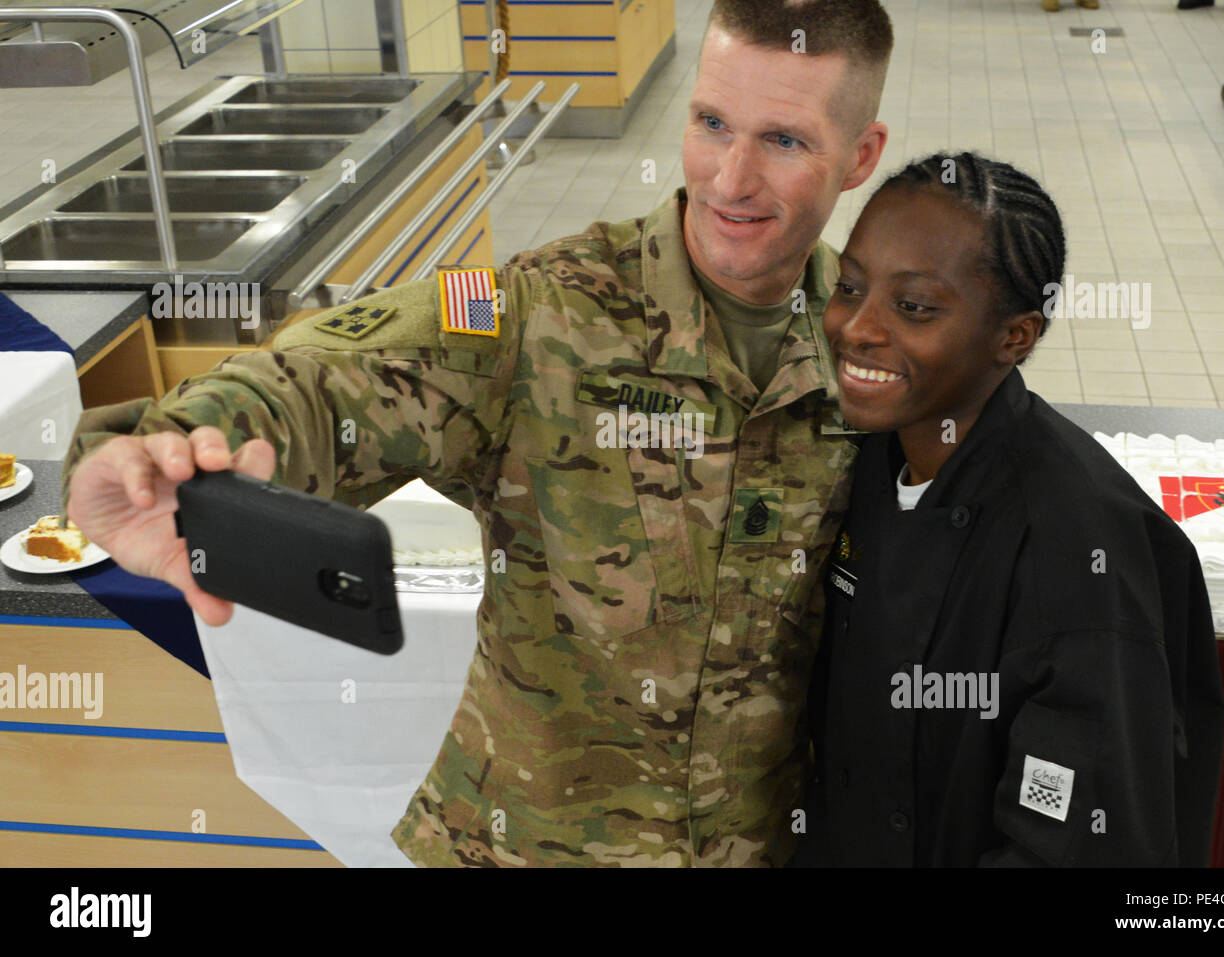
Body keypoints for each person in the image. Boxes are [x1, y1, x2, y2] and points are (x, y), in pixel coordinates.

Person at [59, 0, 892, 867]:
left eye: (784, 142)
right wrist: (180, 442)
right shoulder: (542, 311)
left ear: (860, 156)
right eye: (711, 123)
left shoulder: (866, 357)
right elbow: (322, 378)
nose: (730, 178)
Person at [793, 151, 1224, 866]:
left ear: (1014, 337)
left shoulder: (1081, 551)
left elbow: (1085, 845)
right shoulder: (872, 454)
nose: (855, 328)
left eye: (914, 307)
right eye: (850, 286)